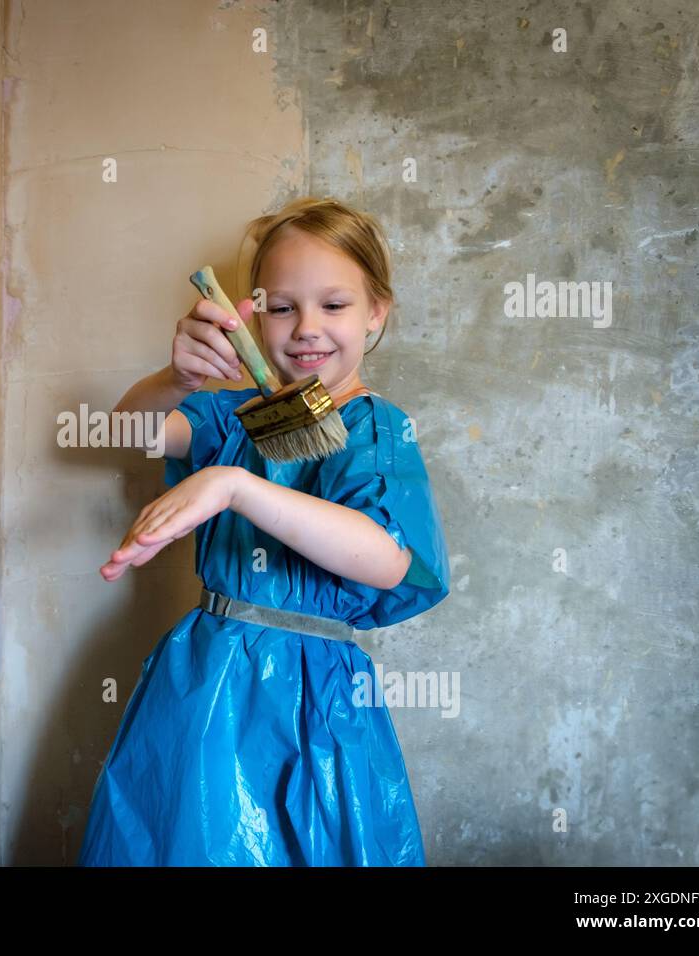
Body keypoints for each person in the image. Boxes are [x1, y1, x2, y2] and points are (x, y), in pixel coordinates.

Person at [77, 196, 451, 866]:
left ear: (376, 312)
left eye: (333, 305)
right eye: (282, 307)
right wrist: (175, 379)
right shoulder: (235, 417)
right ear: (256, 314)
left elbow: (386, 558)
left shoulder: (374, 428)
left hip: (311, 696)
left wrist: (235, 486)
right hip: (206, 681)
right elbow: (119, 434)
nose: (306, 328)